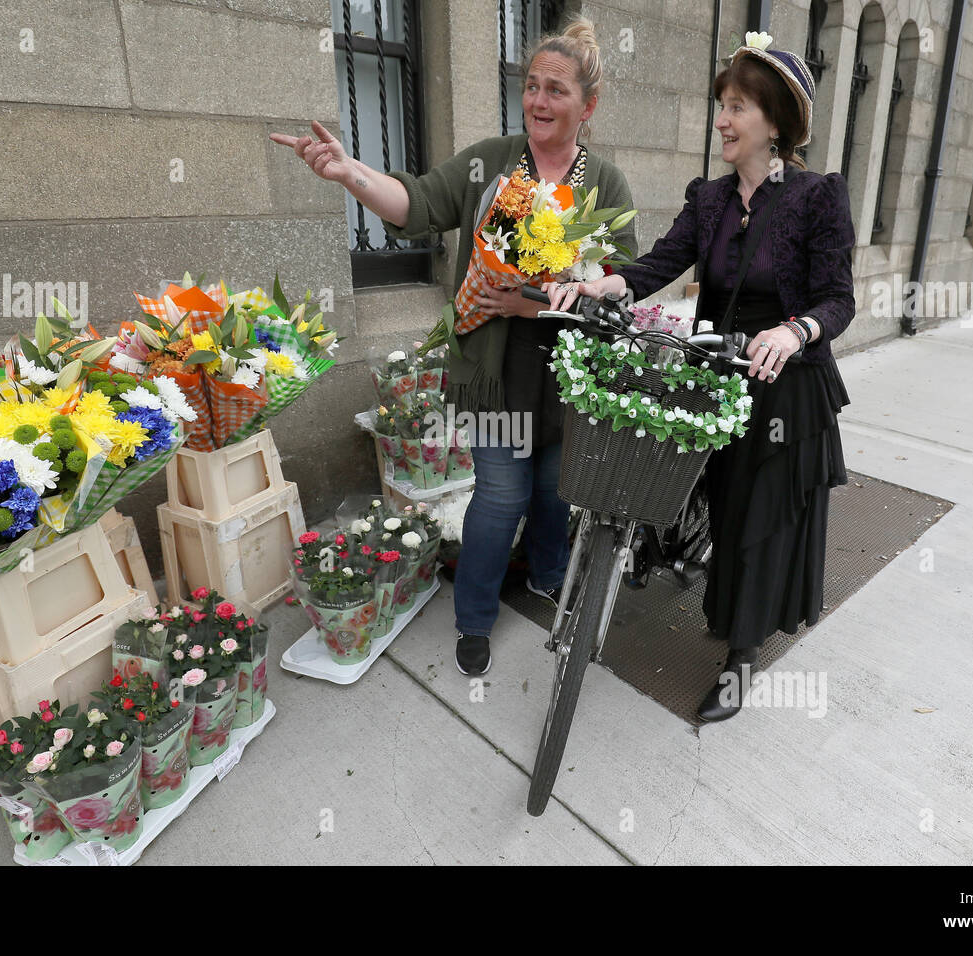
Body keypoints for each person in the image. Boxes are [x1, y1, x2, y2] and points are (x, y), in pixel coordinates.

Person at [271, 17, 636, 677]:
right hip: (492, 369)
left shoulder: (604, 184)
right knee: (500, 496)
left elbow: (621, 279)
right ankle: (475, 616)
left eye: (556, 90)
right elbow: (415, 202)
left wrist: (559, 290)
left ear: (589, 105)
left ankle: (549, 575)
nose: (539, 101)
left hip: (566, 375)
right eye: (531, 86)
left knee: (555, 489)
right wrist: (350, 173)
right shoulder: (490, 163)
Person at [548, 38, 855, 721]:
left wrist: (794, 329)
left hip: (786, 383)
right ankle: (718, 604)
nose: (721, 119)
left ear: (774, 123)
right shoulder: (711, 199)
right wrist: (607, 283)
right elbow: (664, 260)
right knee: (718, 500)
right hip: (719, 376)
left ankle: (742, 658)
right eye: (721, 105)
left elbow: (839, 300)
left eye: (737, 106)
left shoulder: (816, 199)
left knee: (754, 522)